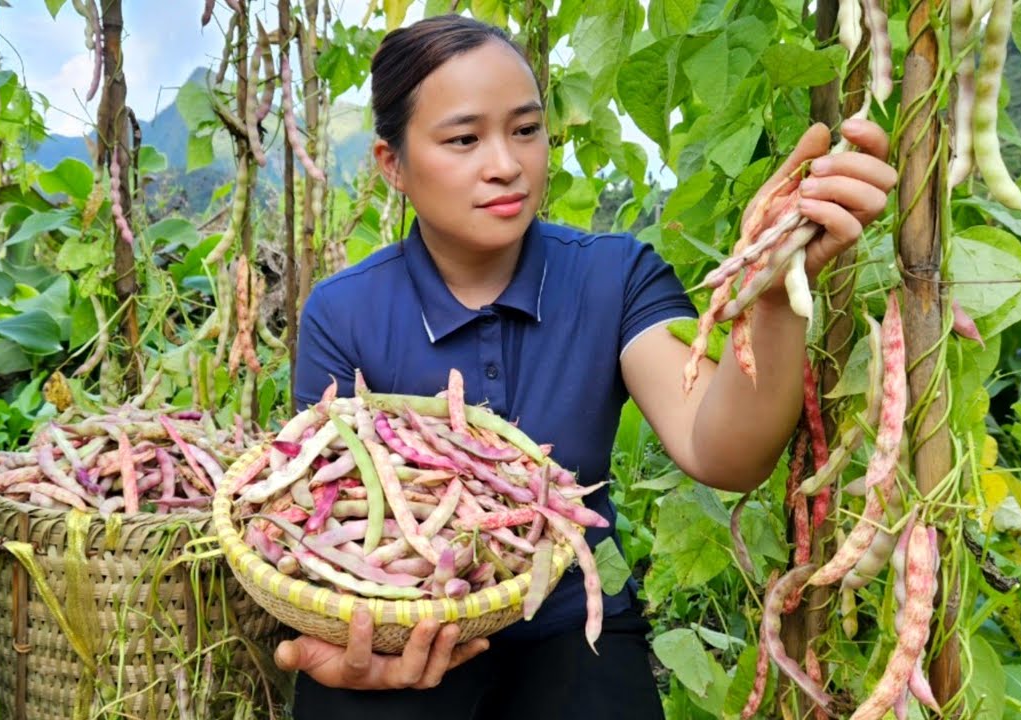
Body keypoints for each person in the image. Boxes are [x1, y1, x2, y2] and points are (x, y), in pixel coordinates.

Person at [271, 13, 897, 719]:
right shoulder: (344, 311)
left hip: (572, 620)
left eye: (526, 130)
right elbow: (322, 523)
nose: (505, 162)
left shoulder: (613, 277)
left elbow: (720, 451)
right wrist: (347, 653)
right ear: (393, 165)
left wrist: (776, 292)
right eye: (464, 139)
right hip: (402, 623)